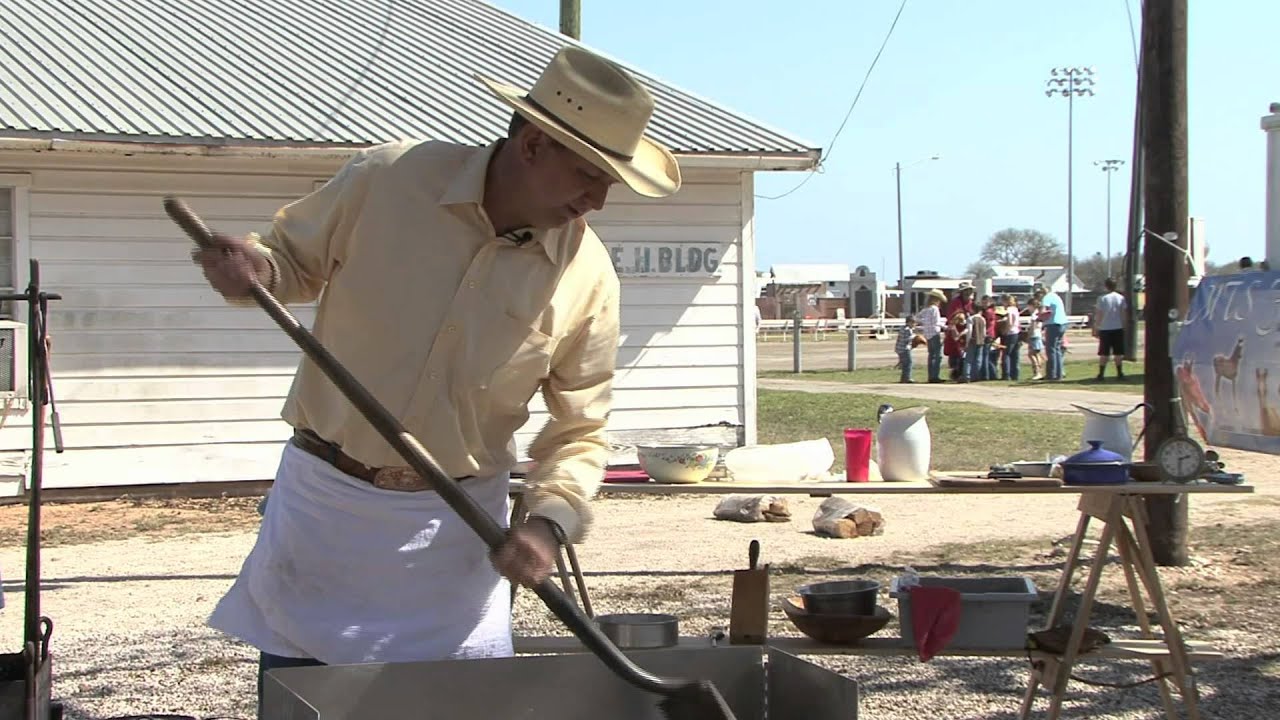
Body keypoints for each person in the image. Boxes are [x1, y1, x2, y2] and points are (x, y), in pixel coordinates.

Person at [189, 46, 682, 716]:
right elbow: (288, 263)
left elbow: (581, 431)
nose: (598, 200)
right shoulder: (388, 180)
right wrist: (253, 273)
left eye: (609, 183)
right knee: (300, 701)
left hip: (455, 535)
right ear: (534, 143)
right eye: (589, 174)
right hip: (327, 507)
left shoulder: (588, 278)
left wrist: (546, 523)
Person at [1093, 278, 1129, 380]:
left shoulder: (1102, 298)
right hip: (1118, 327)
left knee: (1104, 352)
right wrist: (1124, 325)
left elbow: (1099, 314)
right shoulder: (1121, 298)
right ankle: (1119, 372)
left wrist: (1097, 326)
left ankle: (1101, 374)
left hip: (1105, 328)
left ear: (1106, 286)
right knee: (1118, 352)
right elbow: (1123, 313)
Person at [1036, 284, 1068, 381]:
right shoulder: (1056, 296)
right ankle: (1058, 374)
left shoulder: (1047, 297)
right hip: (1062, 323)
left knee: (1051, 350)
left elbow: (1043, 310)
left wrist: (1039, 317)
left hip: (1053, 324)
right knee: (1057, 349)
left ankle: (1052, 374)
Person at [915, 289, 947, 383]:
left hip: (927, 334)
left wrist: (925, 323)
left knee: (931, 355)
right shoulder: (935, 309)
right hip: (934, 333)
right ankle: (935, 376)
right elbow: (937, 322)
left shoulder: (925, 309)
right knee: (938, 356)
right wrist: (945, 327)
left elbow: (917, 318)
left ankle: (931, 375)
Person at [1000, 294, 1023, 381]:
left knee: (1006, 354)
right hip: (1016, 332)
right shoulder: (1015, 309)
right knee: (1015, 354)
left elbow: (1010, 321)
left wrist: (1006, 330)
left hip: (1011, 332)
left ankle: (1006, 374)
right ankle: (1015, 374)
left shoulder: (1009, 309)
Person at [966, 306, 988, 382]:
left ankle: (967, 375)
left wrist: (967, 342)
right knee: (978, 359)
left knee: (969, 359)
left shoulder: (971, 318)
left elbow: (969, 331)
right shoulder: (983, 319)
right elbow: (984, 332)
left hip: (972, 340)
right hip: (981, 340)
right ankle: (975, 376)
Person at [1025, 298, 1045, 380]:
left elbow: (1032, 327)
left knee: (1031, 354)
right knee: (1037, 354)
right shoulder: (1039, 314)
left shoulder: (1034, 315)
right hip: (1038, 335)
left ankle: (1037, 372)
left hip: (1034, 336)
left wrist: (1029, 336)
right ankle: (1040, 371)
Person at [895, 315, 919, 383]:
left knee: (905, 364)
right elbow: (906, 339)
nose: (914, 324)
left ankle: (903, 378)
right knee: (909, 363)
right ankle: (907, 378)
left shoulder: (902, 328)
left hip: (899, 348)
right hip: (904, 349)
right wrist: (915, 337)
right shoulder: (907, 330)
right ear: (908, 322)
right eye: (913, 323)